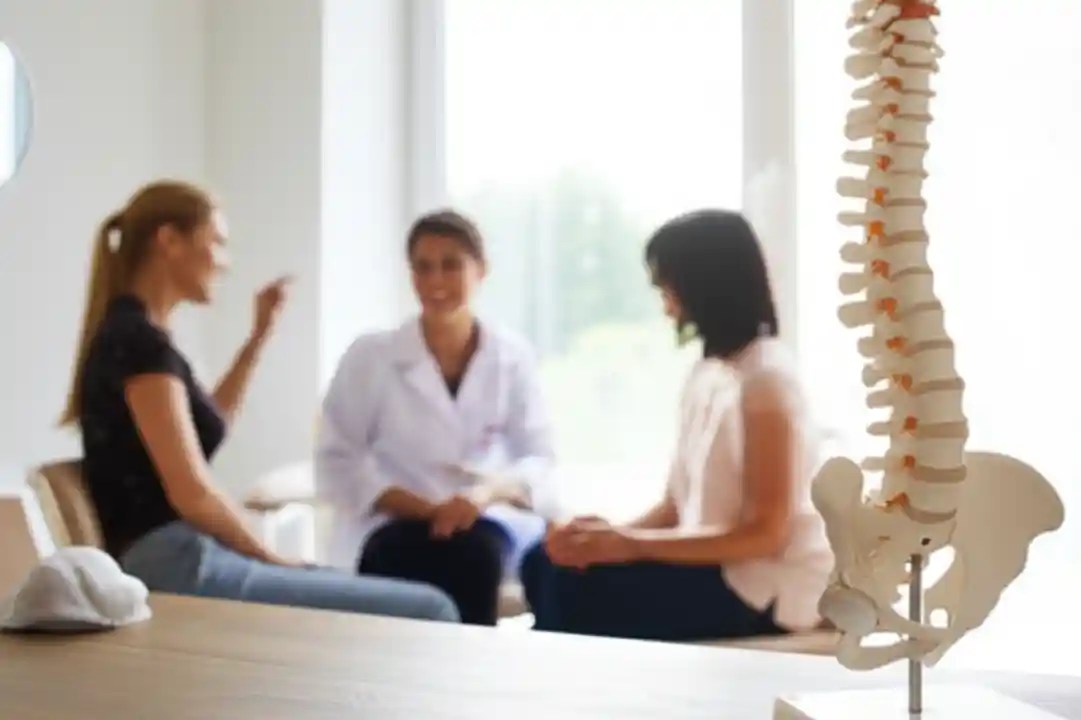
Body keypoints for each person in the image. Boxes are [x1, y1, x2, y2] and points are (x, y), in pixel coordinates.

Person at [61, 180, 459, 623]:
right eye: (217, 243)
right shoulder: (138, 343)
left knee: (398, 596)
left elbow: (206, 426)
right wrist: (271, 555)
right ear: (169, 240)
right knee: (431, 608)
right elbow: (192, 492)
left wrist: (258, 336)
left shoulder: (136, 338)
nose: (224, 262)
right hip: (177, 564)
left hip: (180, 554)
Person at [519, 209, 833, 641]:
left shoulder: (768, 383)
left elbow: (765, 534)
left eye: (667, 286)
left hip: (761, 585)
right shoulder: (708, 375)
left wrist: (629, 546)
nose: (665, 302)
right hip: (714, 569)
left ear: (703, 285)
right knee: (543, 561)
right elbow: (673, 508)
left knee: (572, 589)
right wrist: (604, 538)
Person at [315, 210, 556, 626]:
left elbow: (538, 459)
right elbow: (337, 460)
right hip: (392, 519)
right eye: (423, 267)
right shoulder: (371, 355)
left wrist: (479, 497)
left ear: (481, 270)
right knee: (399, 558)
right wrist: (424, 509)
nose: (436, 281)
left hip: (485, 519)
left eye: (451, 265)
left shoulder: (511, 357)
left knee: (475, 554)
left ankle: (465, 680)